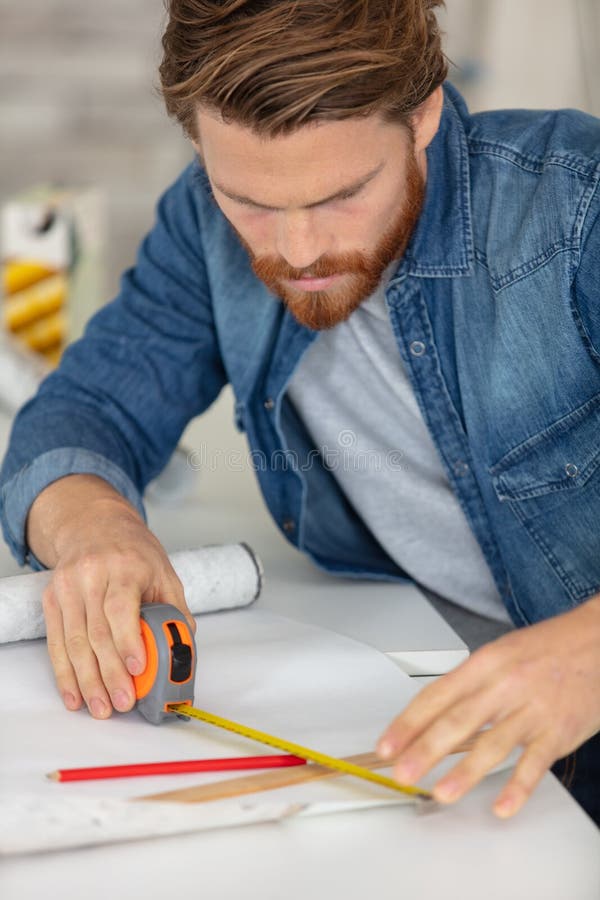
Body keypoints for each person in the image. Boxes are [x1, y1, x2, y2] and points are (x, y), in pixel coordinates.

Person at [1, 0, 599, 825]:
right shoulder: (199, 226)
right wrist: (92, 529)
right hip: (451, 720)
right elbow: (89, 405)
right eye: (248, 199)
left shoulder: (577, 208)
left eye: (343, 193)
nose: (298, 251)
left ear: (422, 114)